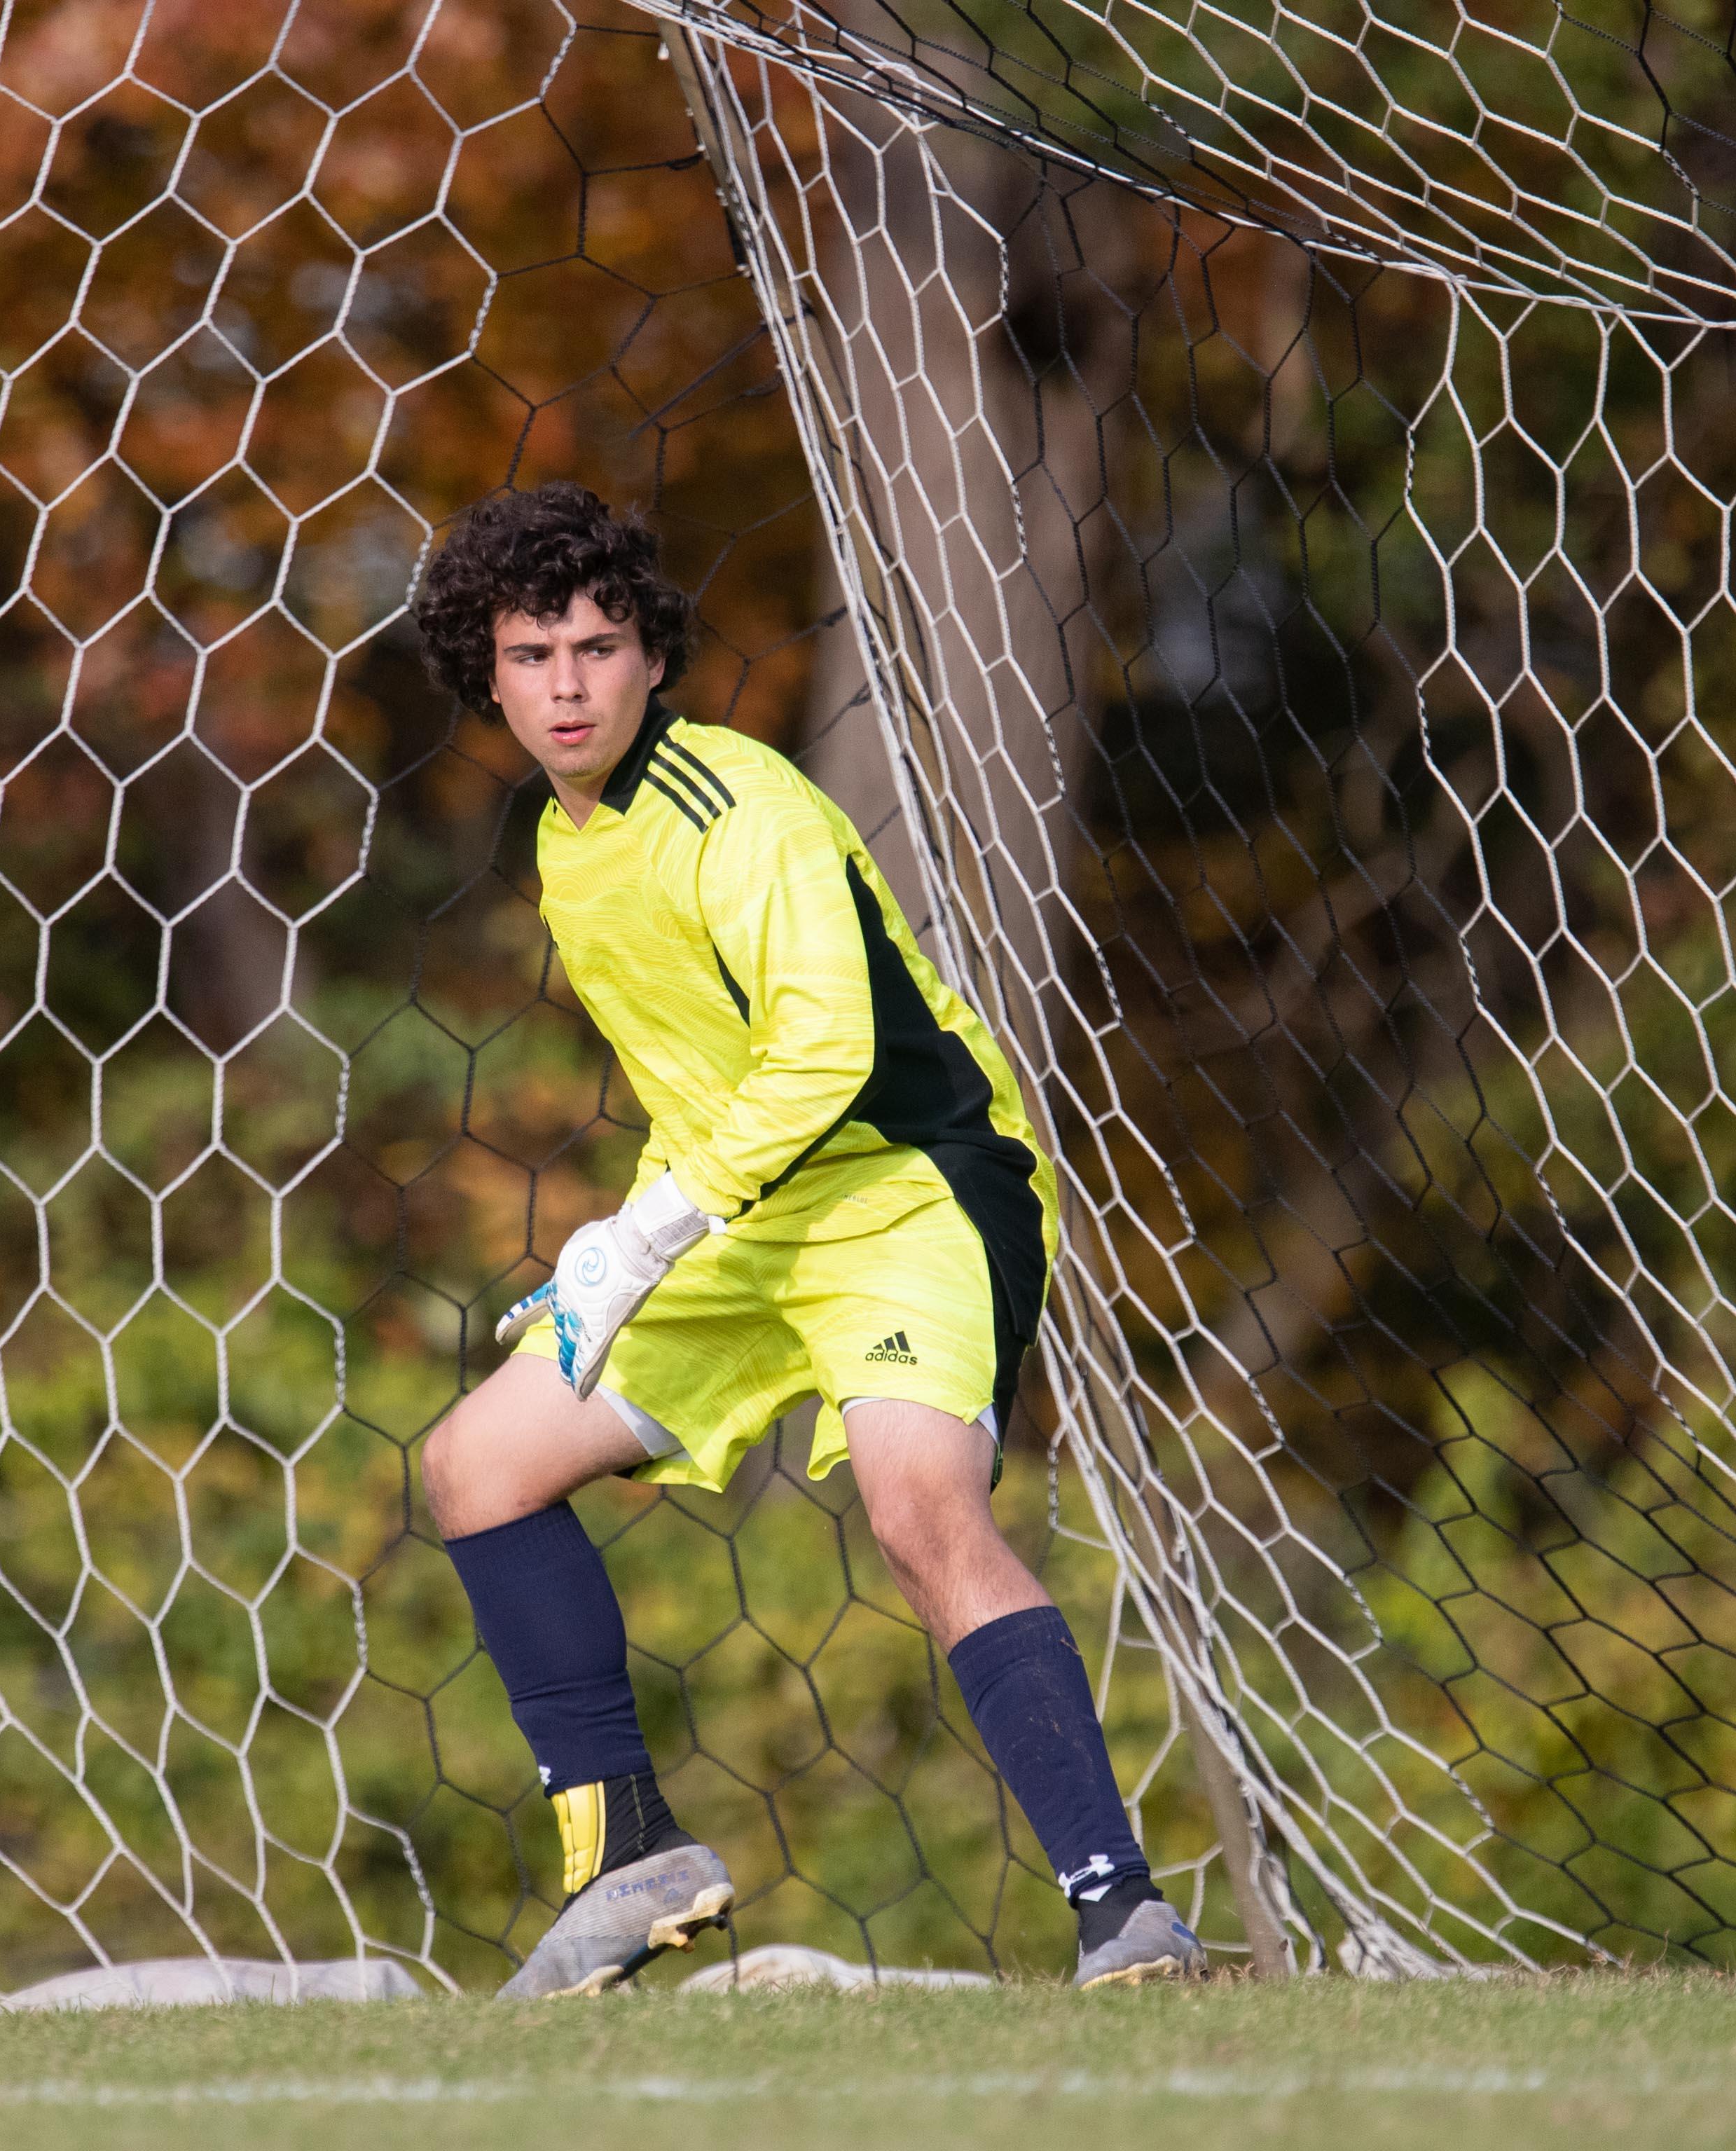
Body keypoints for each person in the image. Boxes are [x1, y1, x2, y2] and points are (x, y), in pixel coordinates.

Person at [413, 481, 1206, 1997]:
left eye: (596, 645)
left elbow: (824, 1051)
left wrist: (645, 1227)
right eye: (530, 655)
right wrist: (621, 1246)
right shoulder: (565, 848)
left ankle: (1125, 1919)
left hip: (903, 1184)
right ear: (487, 673)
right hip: (737, 1210)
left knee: (918, 1504)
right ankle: (630, 1856)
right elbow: (704, 1088)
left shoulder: (742, 808)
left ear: (653, 655)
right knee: (474, 1468)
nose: (566, 684)